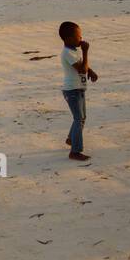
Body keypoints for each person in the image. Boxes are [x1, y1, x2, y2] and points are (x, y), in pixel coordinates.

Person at [58, 21, 98, 161]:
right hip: (72, 90)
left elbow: (83, 65)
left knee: (81, 118)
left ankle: (71, 139)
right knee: (78, 119)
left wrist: (91, 71)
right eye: (78, 37)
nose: (81, 39)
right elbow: (81, 69)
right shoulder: (67, 53)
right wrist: (86, 51)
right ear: (68, 39)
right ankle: (74, 151)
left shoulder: (73, 51)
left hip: (78, 89)